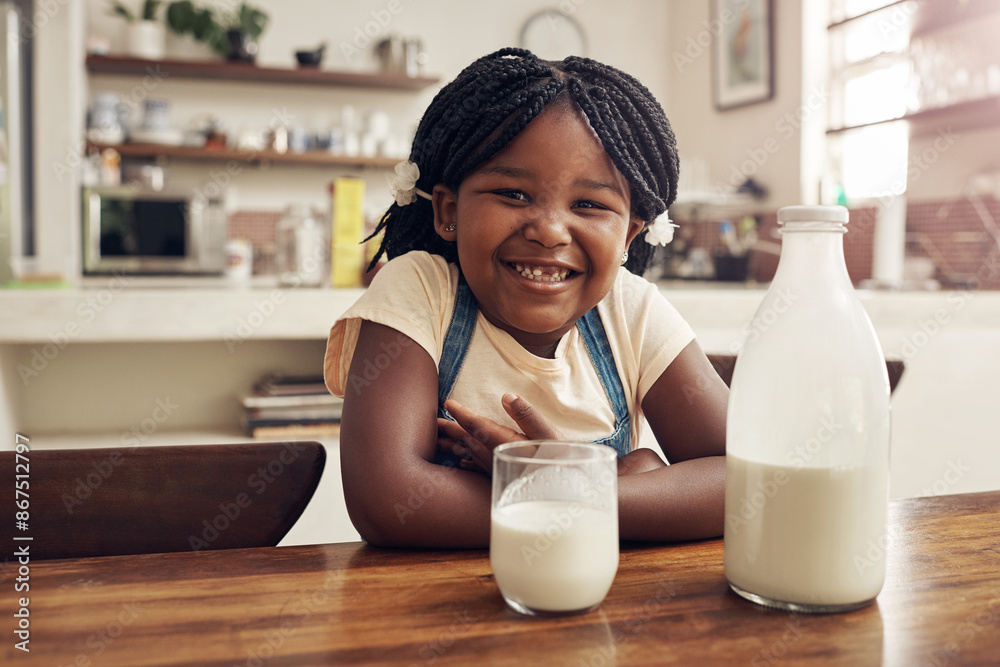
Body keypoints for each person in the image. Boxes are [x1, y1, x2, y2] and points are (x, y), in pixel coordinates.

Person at [324, 48, 728, 548]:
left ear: (629, 236)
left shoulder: (632, 310)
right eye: (513, 194)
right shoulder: (421, 290)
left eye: (588, 204)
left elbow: (749, 476)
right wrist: (611, 486)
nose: (550, 231)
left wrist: (569, 487)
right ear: (449, 209)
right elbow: (387, 500)